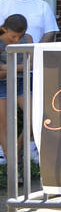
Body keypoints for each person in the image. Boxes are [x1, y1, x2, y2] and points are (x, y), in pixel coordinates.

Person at [0, 14, 27, 165]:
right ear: (4, 29)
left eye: (20, 36)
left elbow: (31, 63)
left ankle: (17, 147)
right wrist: (17, 68)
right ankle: (13, 167)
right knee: (4, 125)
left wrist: (7, 68)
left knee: (32, 117)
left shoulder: (26, 38)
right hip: (2, 84)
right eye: (13, 37)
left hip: (21, 82)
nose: (17, 40)